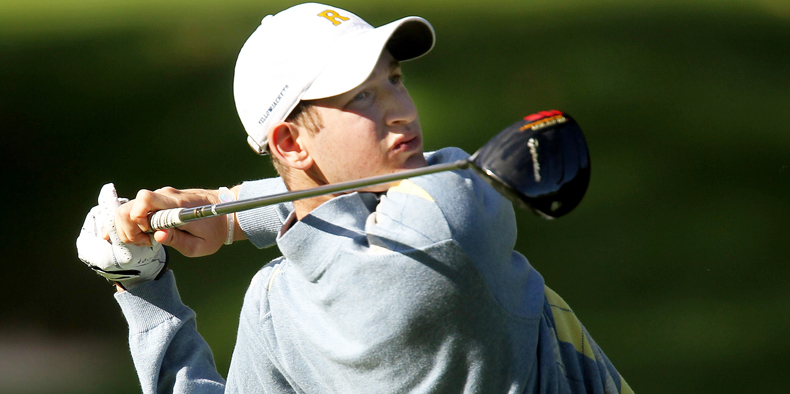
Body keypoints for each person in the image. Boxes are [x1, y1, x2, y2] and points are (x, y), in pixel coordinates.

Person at [76, 3, 633, 393]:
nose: (402, 111)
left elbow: (325, 210)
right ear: (290, 143)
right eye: (363, 97)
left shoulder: (275, 311)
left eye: (395, 79)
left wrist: (145, 289)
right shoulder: (448, 226)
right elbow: (440, 172)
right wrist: (233, 212)